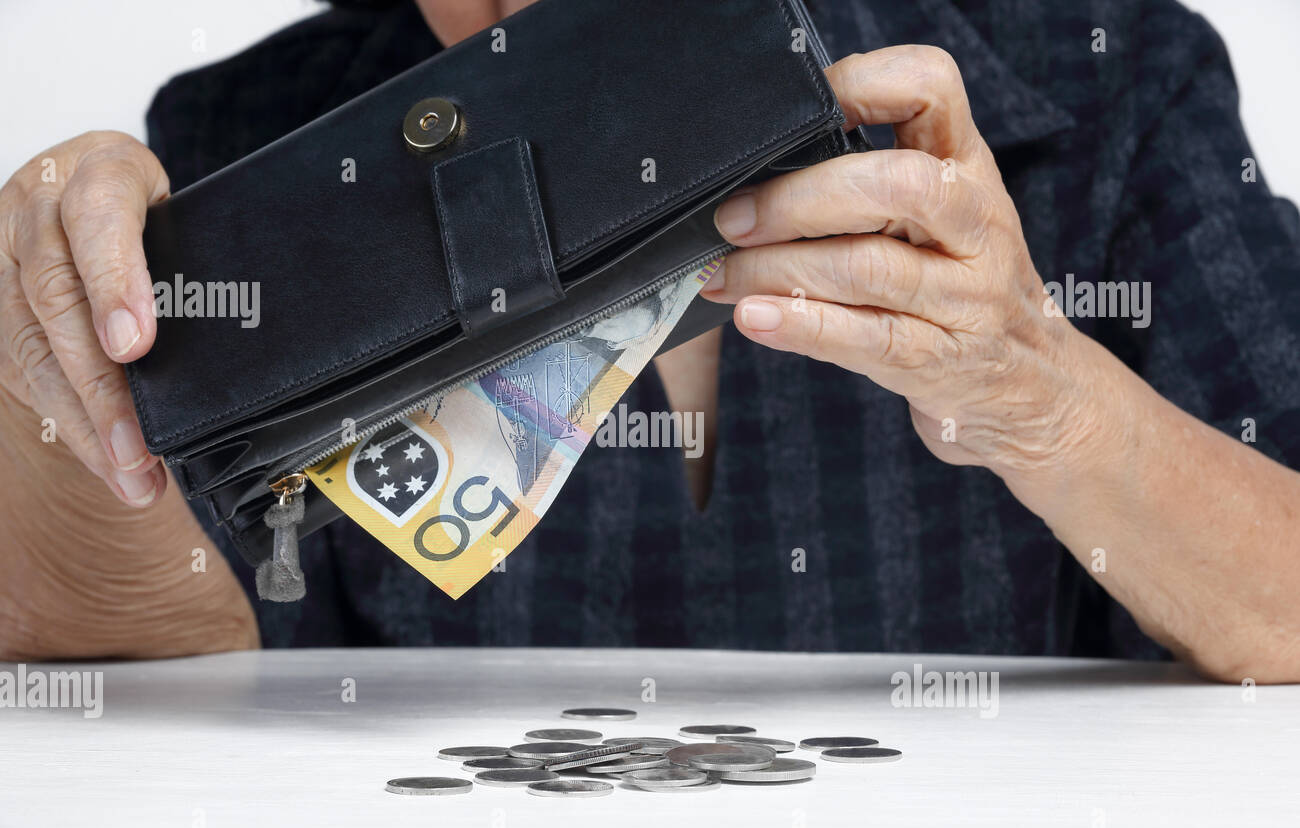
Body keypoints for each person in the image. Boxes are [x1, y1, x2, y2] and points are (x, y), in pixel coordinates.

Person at [1, 0, 1297, 680]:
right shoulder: (249, 148)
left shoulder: (1109, 76)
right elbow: (161, 666)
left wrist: (1056, 408)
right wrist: (54, 374)